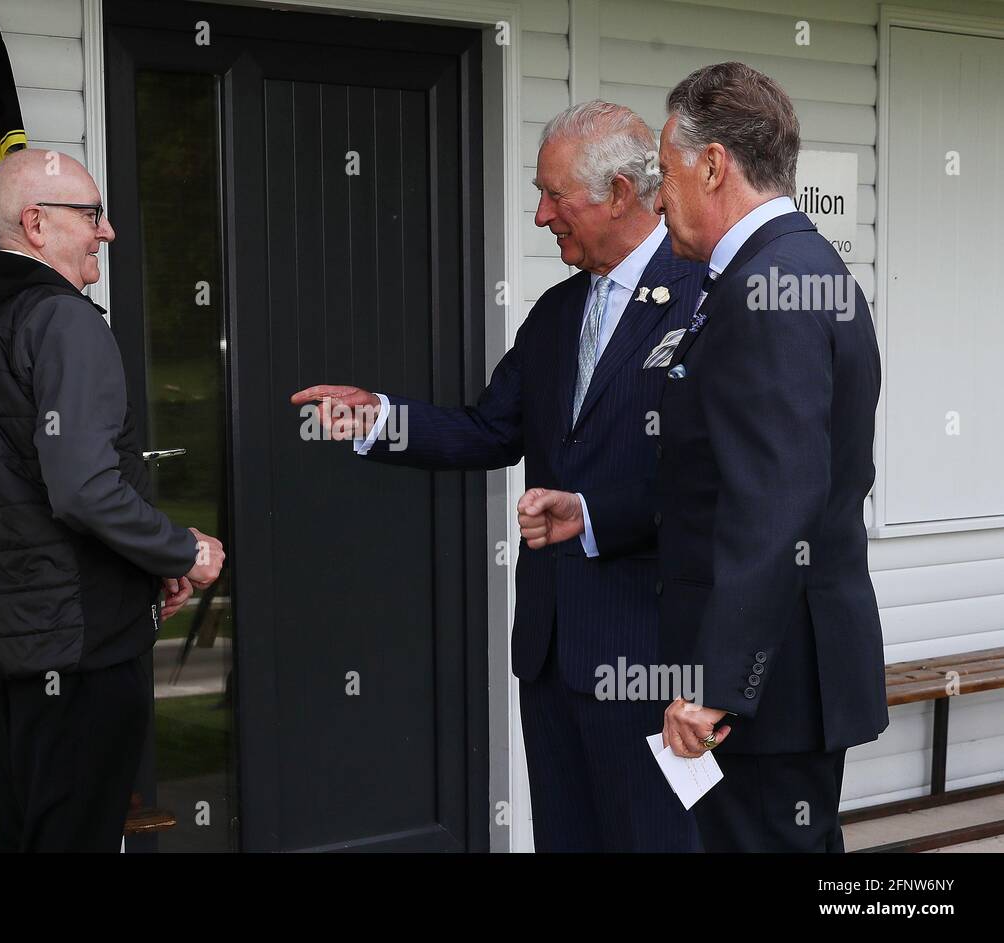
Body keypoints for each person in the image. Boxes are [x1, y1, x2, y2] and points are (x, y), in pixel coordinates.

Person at [293, 102, 704, 851]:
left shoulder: (707, 297)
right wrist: (380, 418)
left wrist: (595, 511)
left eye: (555, 195)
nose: (542, 214)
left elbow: (714, 483)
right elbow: (490, 428)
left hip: (650, 654)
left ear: (617, 193)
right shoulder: (554, 313)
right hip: (550, 650)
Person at [518, 63, 888, 852]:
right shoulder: (801, 270)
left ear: (713, 165)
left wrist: (717, 684)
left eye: (668, 167)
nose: (659, 191)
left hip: (767, 688)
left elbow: (775, 504)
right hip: (785, 674)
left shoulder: (767, 290)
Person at [0, 148, 225, 852]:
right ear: (36, 224)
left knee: (30, 835)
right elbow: (83, 488)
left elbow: (19, 489)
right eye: (91, 214)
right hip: (82, 649)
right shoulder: (62, 321)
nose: (108, 231)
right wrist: (184, 549)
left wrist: (144, 569)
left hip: (17, 646)